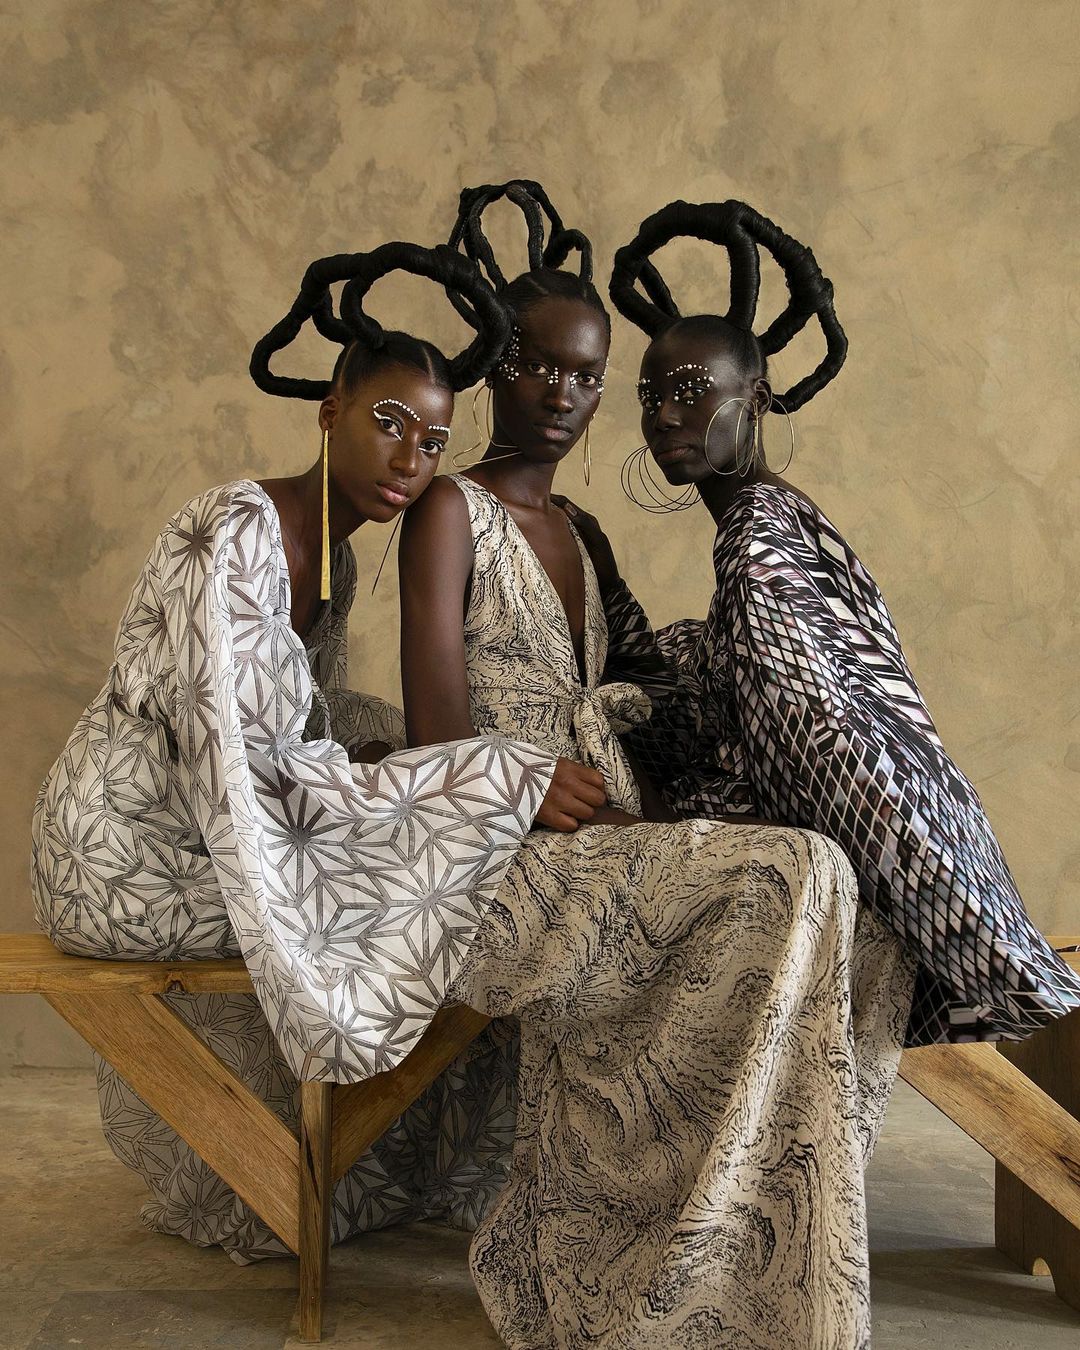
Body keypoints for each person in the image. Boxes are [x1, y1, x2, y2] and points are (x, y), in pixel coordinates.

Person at [398, 180, 914, 1350]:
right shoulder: (448, 513)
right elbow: (435, 740)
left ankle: (750, 1272)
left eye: (591, 375)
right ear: (495, 365)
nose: (568, 396)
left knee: (858, 907)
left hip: (613, 839)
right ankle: (606, 1269)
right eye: (544, 366)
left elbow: (661, 693)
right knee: (787, 878)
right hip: (504, 862)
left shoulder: (583, 532)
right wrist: (524, 781)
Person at [29, 238, 603, 1260]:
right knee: (419, 862)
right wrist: (478, 779)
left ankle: (389, 1151)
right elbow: (235, 760)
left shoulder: (331, 555)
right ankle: (286, 1161)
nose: (409, 460)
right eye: (388, 424)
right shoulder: (237, 530)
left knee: (424, 822)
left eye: (431, 442)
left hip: (211, 828)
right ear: (330, 411)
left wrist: (412, 770)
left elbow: (304, 727)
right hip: (128, 846)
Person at [605, 197, 1080, 1046]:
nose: (665, 416)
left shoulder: (754, 539)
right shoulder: (783, 517)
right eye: (649, 397)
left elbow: (821, 730)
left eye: (688, 391)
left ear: (757, 396)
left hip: (892, 833)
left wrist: (932, 897)